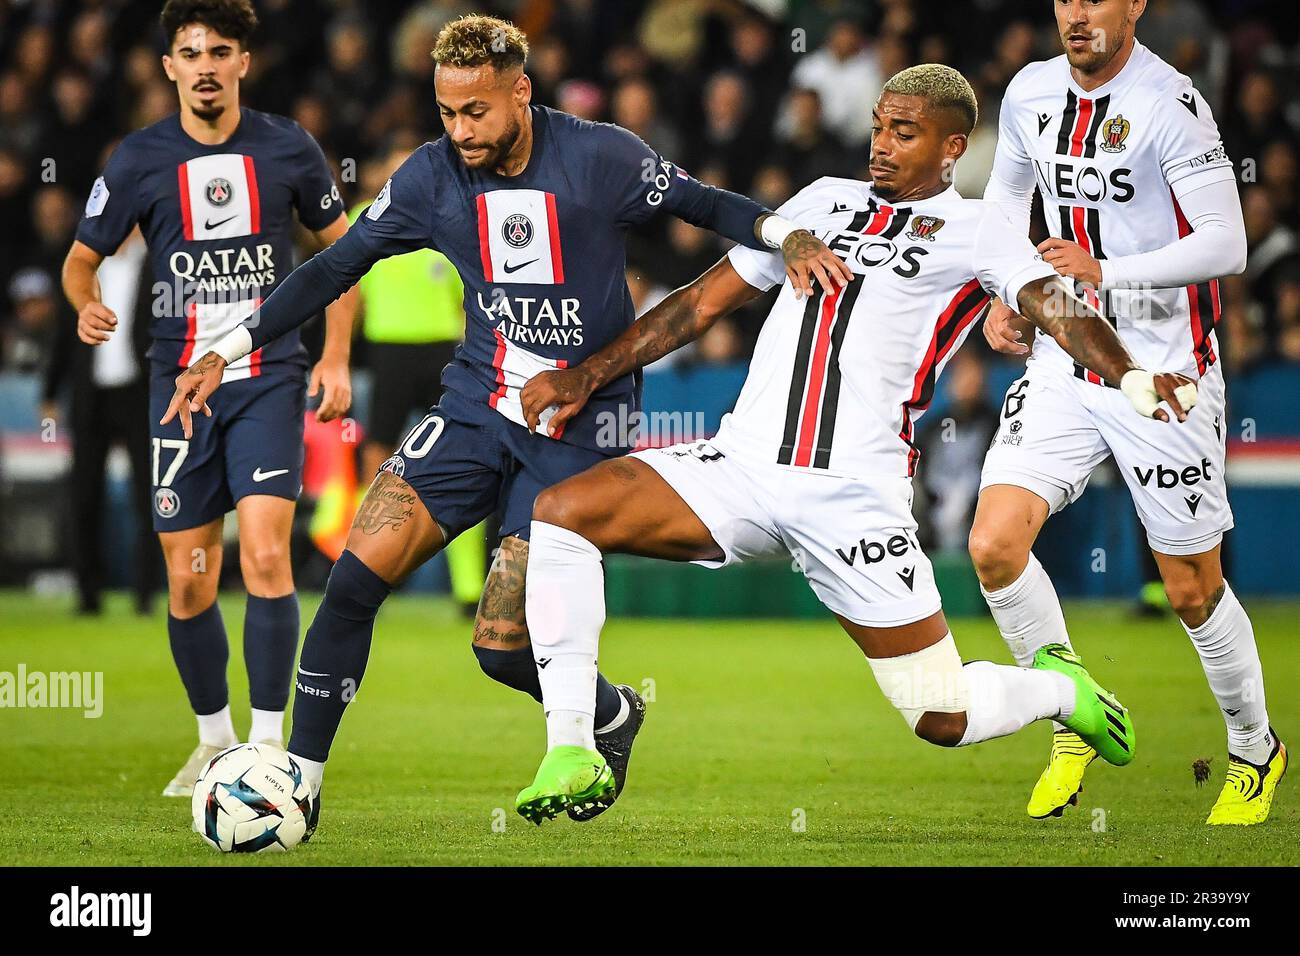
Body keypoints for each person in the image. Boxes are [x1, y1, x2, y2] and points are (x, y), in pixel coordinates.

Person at [160, 14, 850, 836]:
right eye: (447, 113)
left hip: (582, 420)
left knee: (499, 648)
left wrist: (784, 233)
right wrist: (227, 349)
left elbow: (707, 205)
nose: (460, 131)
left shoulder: (602, 157)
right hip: (475, 405)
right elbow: (335, 266)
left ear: (520, 90)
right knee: (352, 579)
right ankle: (298, 785)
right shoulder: (428, 177)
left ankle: (608, 714)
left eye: (476, 111)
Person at [509, 64, 1196, 823]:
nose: (882, 144)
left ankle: (1065, 690)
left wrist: (1132, 376)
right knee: (563, 513)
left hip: (853, 498)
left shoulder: (979, 231)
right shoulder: (822, 203)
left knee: (941, 717)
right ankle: (575, 742)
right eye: (877, 125)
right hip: (739, 469)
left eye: (904, 132)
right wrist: (589, 375)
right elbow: (702, 303)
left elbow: (1051, 303)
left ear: (951, 146)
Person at [974, 0, 1284, 825]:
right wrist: (1000, 293)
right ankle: (1069, 709)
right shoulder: (1030, 93)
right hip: (1064, 353)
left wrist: (1103, 269)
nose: (1077, 14)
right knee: (994, 546)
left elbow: (1227, 243)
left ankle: (1255, 748)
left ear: (1136, 4)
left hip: (1165, 371)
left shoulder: (1170, 104)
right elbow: (1003, 210)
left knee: (1190, 590)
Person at [62, 0, 356, 796]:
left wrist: (333, 357)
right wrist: (85, 300)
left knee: (264, 555)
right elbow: (80, 258)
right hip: (177, 386)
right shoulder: (137, 159)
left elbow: (342, 258)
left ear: (242, 62)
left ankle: (267, 748)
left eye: (219, 51)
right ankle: (211, 739)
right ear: (169, 67)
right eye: (188, 52)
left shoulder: (288, 146)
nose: (204, 65)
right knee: (190, 575)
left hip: (267, 378)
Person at [44, 227, 158, 615]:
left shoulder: (162, 261)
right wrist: (49, 391)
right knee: (85, 495)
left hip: (142, 395)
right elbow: (65, 329)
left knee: (149, 496)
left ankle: (145, 594)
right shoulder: (84, 263)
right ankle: (87, 594)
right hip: (90, 396)